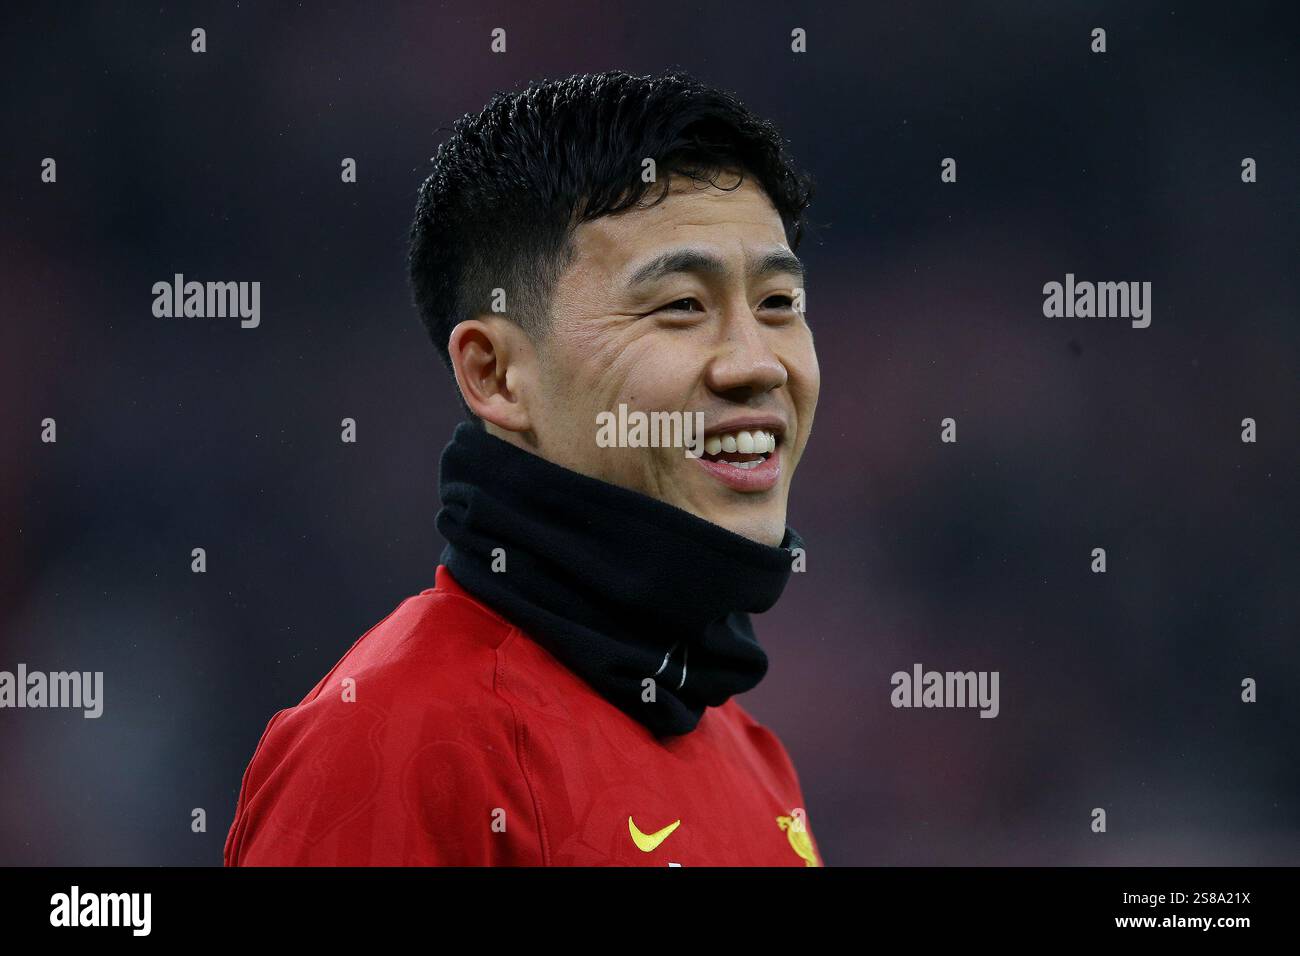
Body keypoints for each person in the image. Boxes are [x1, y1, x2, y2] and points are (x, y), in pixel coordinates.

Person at [224, 69, 823, 866]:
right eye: (681, 304)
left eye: (778, 304)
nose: (759, 364)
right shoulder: (401, 738)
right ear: (497, 375)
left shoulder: (751, 756)